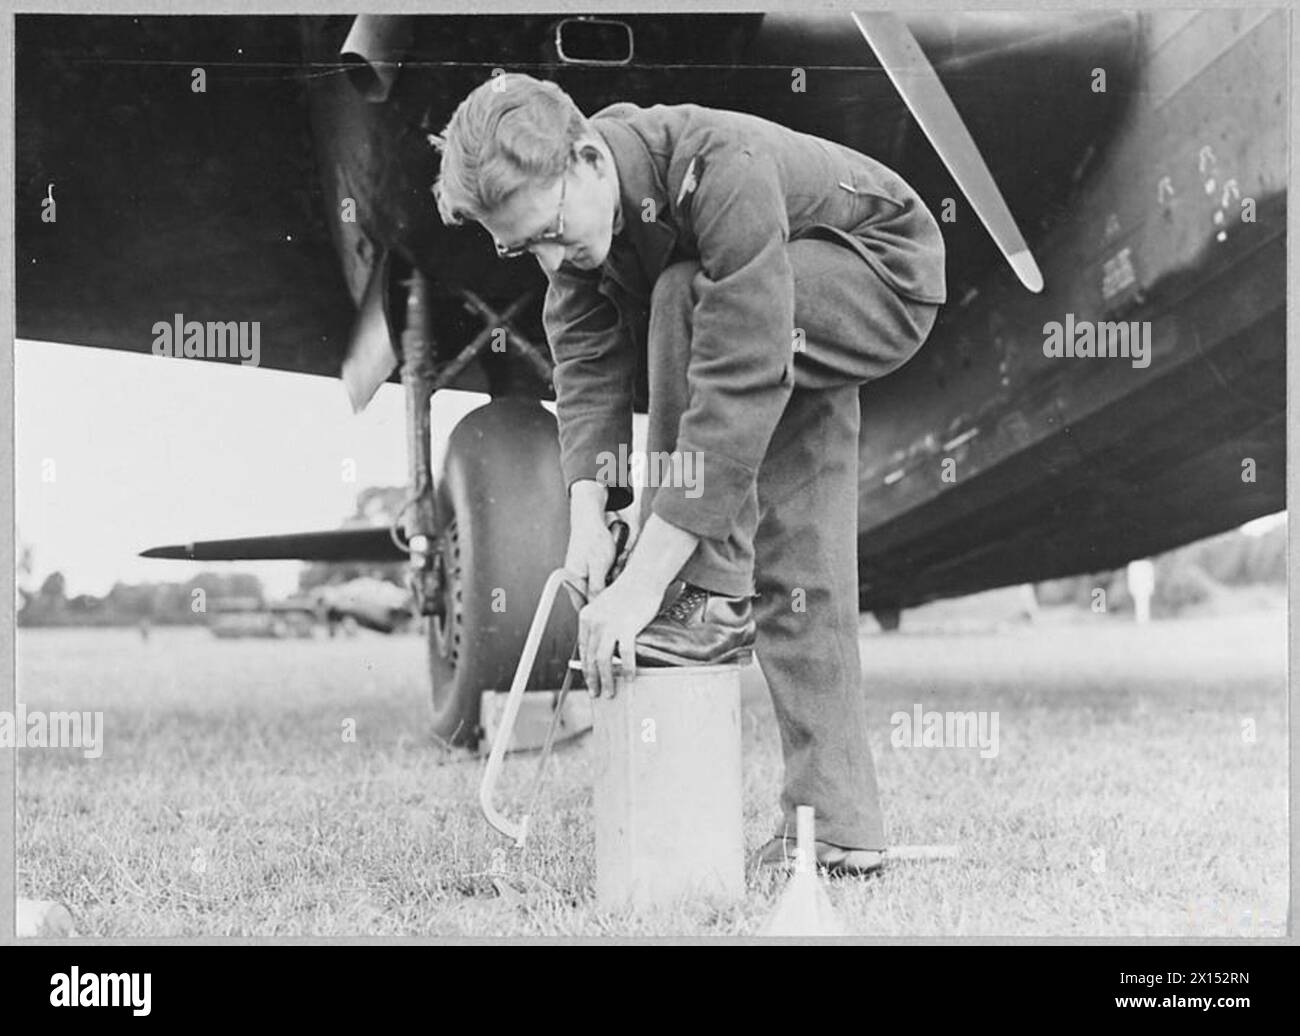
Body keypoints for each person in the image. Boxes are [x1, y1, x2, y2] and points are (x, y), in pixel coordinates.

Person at [433, 74, 945, 875]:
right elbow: (588, 377)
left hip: (882, 275)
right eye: (521, 246)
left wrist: (651, 581)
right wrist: (587, 528)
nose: (549, 259)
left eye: (552, 232)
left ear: (588, 157)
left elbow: (737, 377)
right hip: (785, 310)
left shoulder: (721, 163)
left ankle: (704, 593)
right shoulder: (575, 229)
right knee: (804, 561)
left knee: (682, 294)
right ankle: (839, 826)